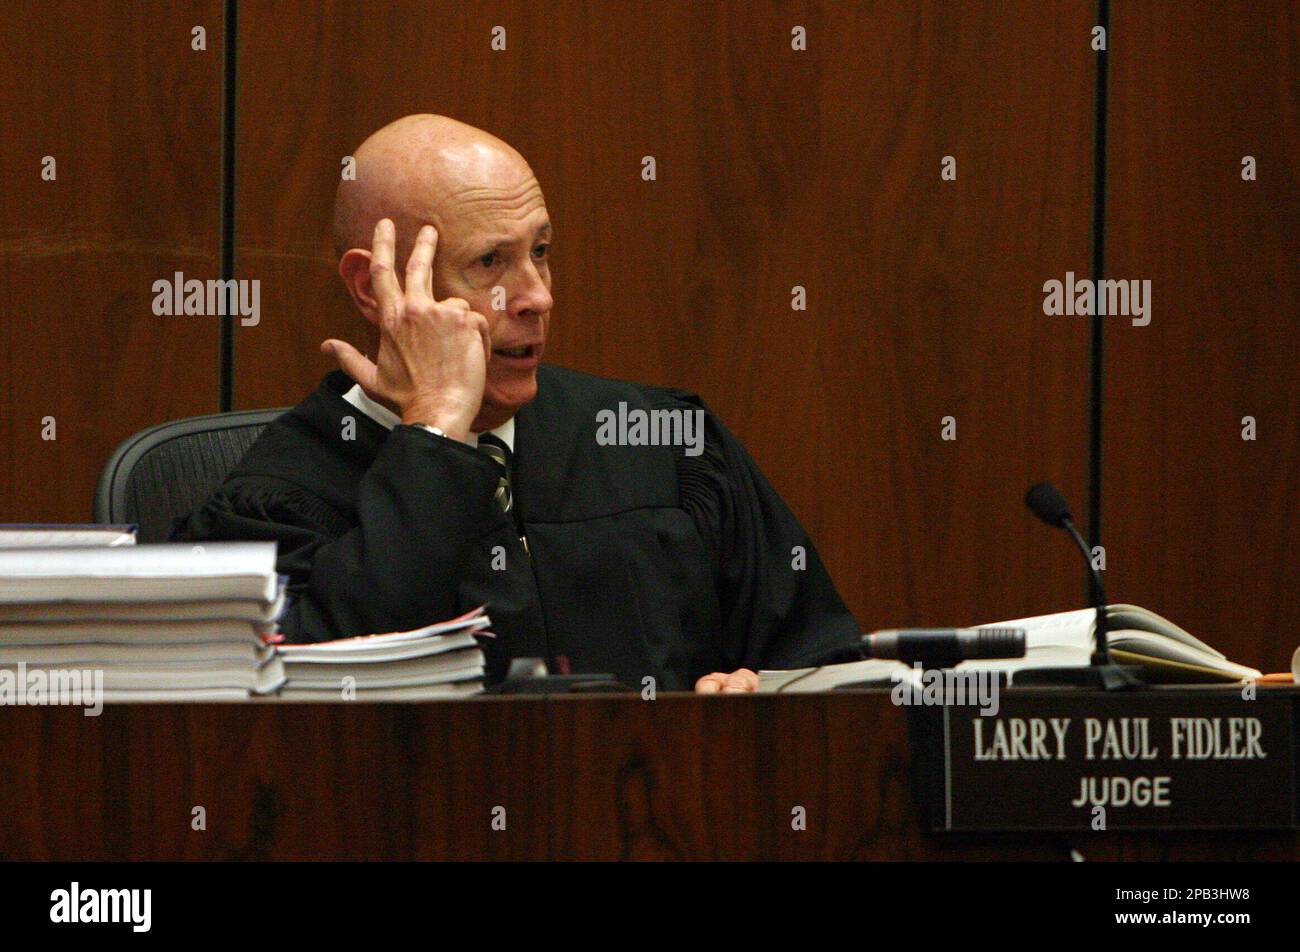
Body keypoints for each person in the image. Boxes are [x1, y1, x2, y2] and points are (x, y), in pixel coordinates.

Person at [174, 114, 861, 693]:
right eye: (491, 263)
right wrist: (437, 436)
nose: (537, 296)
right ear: (371, 288)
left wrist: (760, 705)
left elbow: (830, 669)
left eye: (541, 251)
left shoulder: (657, 444)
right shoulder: (277, 500)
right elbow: (296, 722)